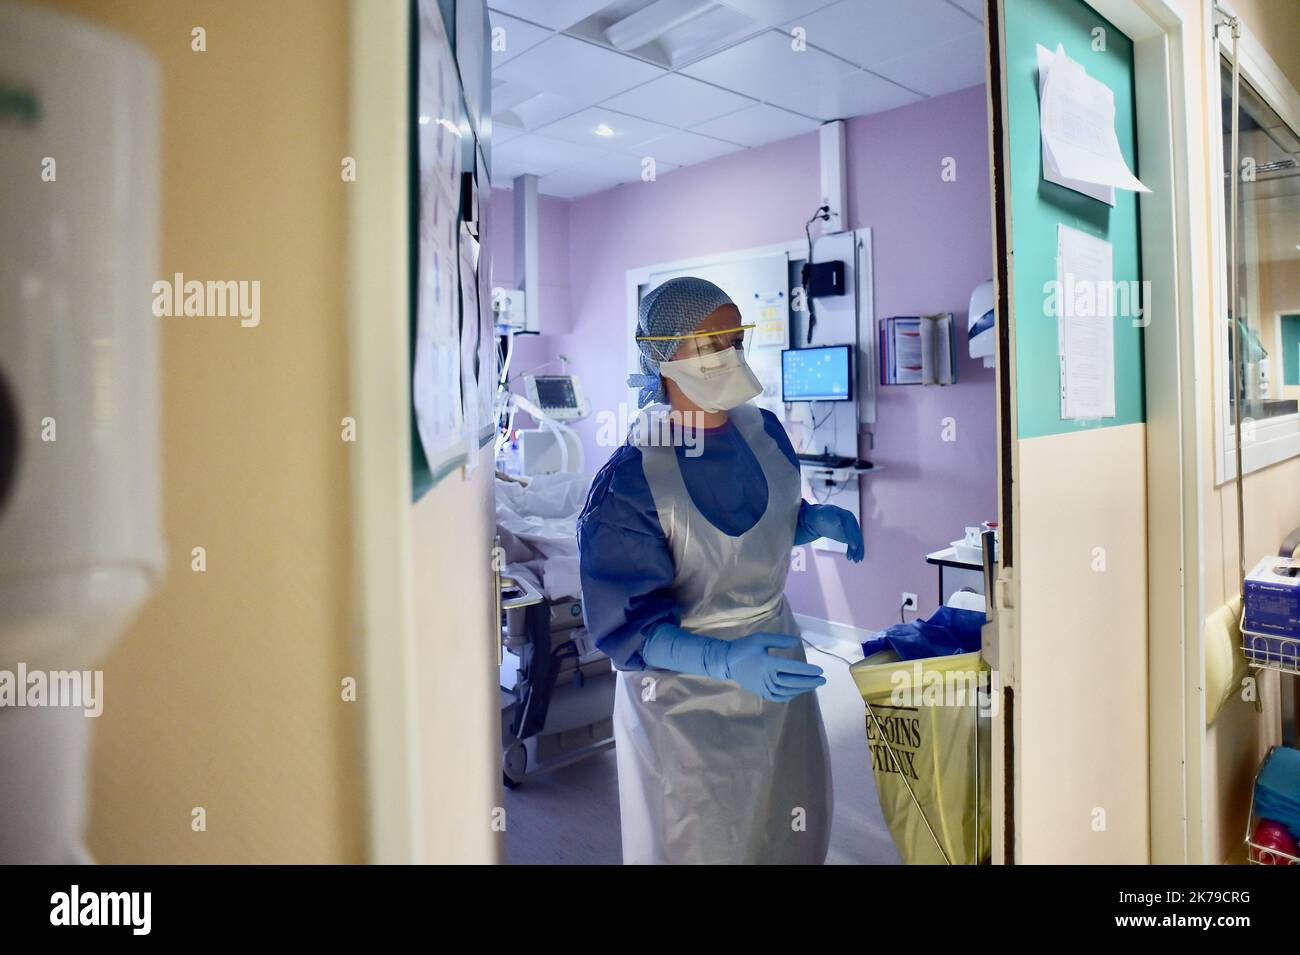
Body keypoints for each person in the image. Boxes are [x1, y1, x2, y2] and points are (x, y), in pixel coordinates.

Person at [577, 276, 864, 865]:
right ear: (661, 355)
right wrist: (723, 660)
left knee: (791, 828)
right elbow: (628, 626)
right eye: (710, 345)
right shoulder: (631, 482)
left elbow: (760, 522)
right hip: (684, 704)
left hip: (779, 678)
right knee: (705, 841)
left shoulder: (763, 433)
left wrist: (811, 522)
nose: (730, 355)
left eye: (735, 337)